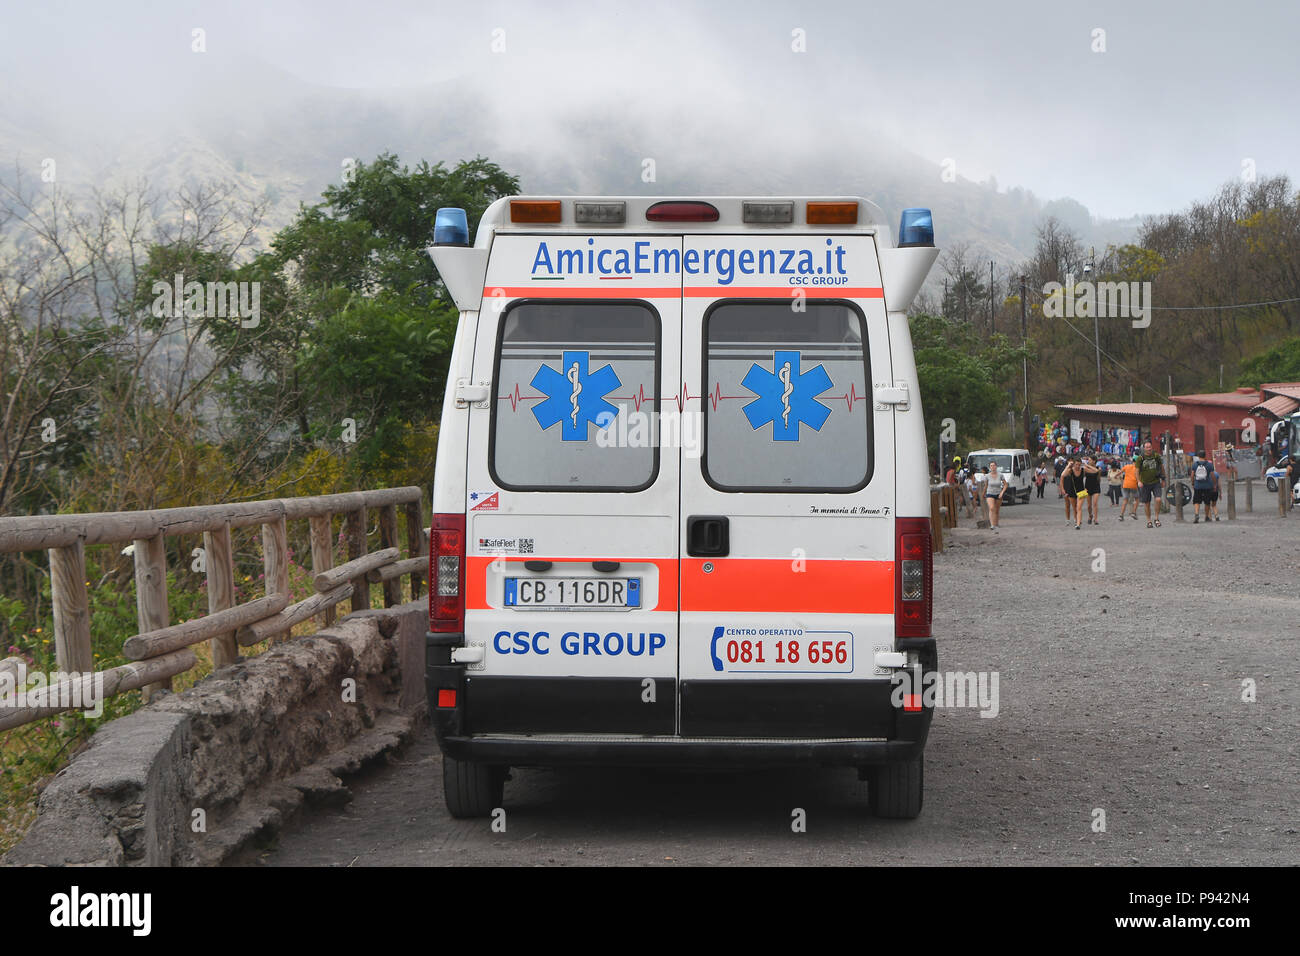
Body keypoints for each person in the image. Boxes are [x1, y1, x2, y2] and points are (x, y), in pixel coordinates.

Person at [1136, 440, 1166, 528]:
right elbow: (1137, 471)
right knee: (1147, 503)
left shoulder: (1156, 456)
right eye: (1147, 447)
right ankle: (1149, 520)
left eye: (1150, 447)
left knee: (1158, 499)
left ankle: (1156, 518)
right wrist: (1139, 481)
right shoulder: (1140, 458)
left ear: (1152, 447)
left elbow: (1161, 467)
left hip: (1156, 482)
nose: (1149, 449)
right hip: (1145, 483)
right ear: (1144, 448)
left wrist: (1163, 479)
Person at [1190, 450, 1215, 524]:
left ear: (1198, 456)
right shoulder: (1209, 465)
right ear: (1205, 456)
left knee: (1197, 501)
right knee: (1207, 502)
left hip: (1198, 486)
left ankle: (1197, 514)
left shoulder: (1195, 464)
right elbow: (1213, 475)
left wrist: (1193, 483)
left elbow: (1192, 475)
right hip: (1207, 486)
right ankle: (1206, 516)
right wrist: (1214, 484)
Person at [984, 460, 1008, 532]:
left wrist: (1002, 492)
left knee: (997, 510)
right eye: (991, 466)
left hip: (998, 493)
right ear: (989, 467)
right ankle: (992, 525)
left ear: (996, 466)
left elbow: (1005, 484)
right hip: (990, 493)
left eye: (994, 465)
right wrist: (983, 493)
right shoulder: (987, 476)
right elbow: (986, 486)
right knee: (991, 508)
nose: (993, 467)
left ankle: (996, 523)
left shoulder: (1000, 475)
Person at [1061, 458, 1083, 528]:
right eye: (1069, 461)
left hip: (1079, 490)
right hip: (1069, 489)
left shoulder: (1081, 470)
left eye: (1079, 465)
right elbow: (1062, 477)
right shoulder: (1068, 470)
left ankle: (1076, 520)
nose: (1077, 466)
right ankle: (1068, 519)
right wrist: (1062, 489)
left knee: (1076, 507)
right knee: (1068, 505)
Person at [1081, 456, 1102, 524]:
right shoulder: (1086, 468)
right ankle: (1090, 515)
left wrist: (1087, 465)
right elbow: (1083, 475)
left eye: (1090, 460)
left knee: (1095, 503)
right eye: (1088, 460)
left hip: (1096, 487)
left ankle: (1095, 519)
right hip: (1087, 487)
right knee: (1089, 505)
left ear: (1094, 461)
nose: (1088, 461)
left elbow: (1098, 476)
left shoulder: (1098, 468)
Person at [1118, 455, 1140, 521]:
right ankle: (1133, 512)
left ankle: (1121, 515)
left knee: (1125, 500)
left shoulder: (1126, 466)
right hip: (1133, 485)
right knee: (1137, 499)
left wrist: (1115, 476)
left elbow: (1120, 472)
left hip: (1126, 485)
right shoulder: (1138, 468)